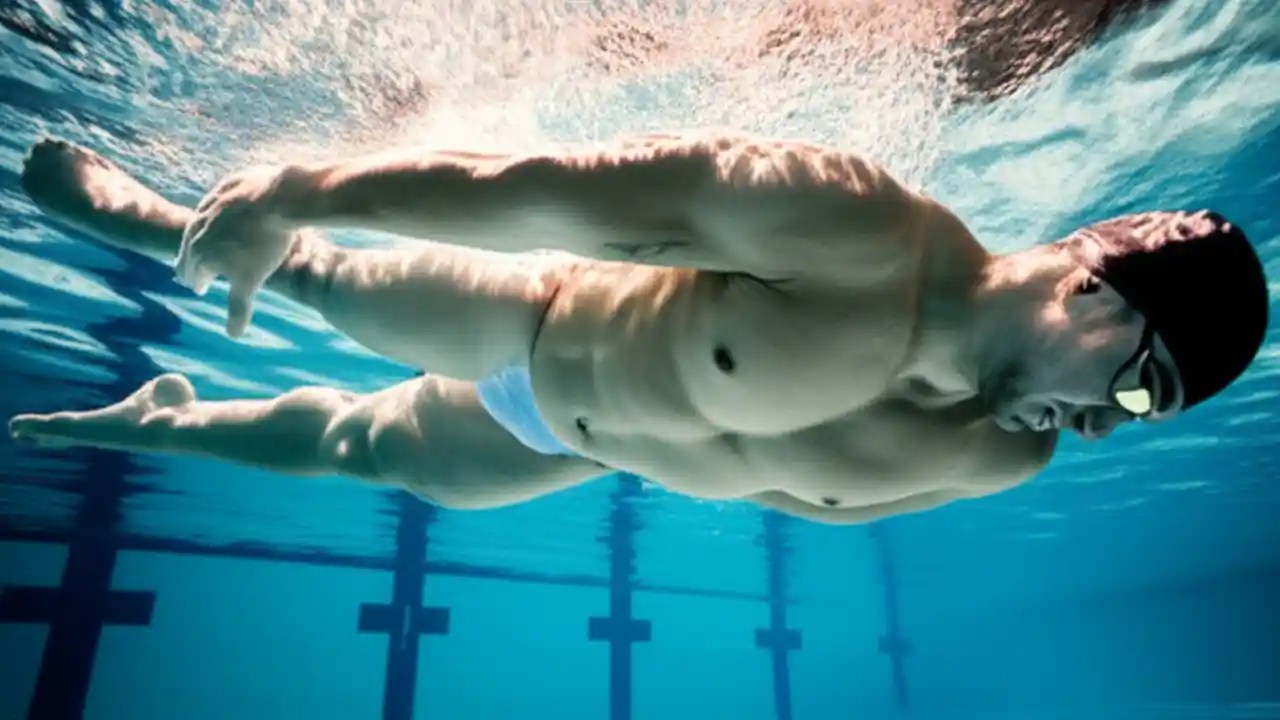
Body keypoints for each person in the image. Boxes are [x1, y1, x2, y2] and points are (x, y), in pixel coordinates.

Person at [8, 131, 1270, 524]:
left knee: (353, 447)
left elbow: (783, 484)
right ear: (1093, 290)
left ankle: (166, 425)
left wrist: (664, 440)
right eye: (1142, 389)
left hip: (579, 442)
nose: (1105, 430)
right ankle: (152, 213)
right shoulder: (851, 233)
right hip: (540, 330)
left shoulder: (1006, 454)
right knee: (312, 281)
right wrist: (299, 186)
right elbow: (556, 186)